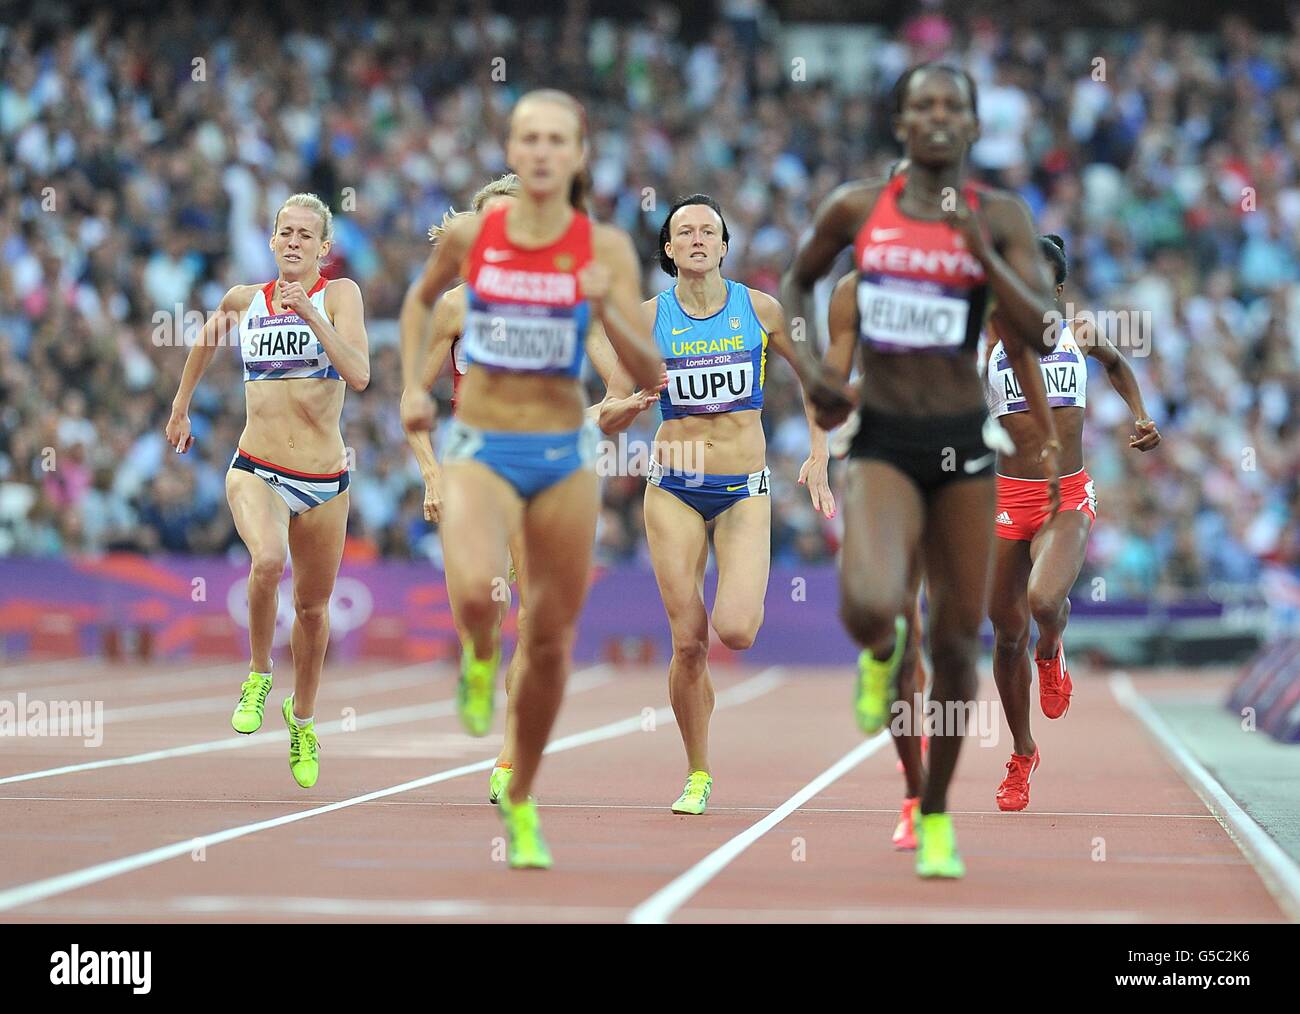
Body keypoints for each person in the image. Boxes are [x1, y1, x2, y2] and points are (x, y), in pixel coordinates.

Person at [783, 63, 1064, 878]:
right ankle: (879, 651)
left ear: (974, 125)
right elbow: (798, 282)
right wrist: (813, 371)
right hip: (884, 440)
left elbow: (1044, 330)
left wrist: (985, 256)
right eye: (922, 106)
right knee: (873, 605)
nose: (938, 118)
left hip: (966, 445)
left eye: (954, 107)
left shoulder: (1000, 216)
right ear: (901, 122)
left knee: (955, 640)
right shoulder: (855, 207)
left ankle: (934, 813)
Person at [399, 89, 663, 869]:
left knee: (548, 637)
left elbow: (638, 380)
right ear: (512, 152)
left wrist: (610, 312)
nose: (542, 154)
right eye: (528, 140)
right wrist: (415, 388)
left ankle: (519, 789)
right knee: (478, 593)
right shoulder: (466, 244)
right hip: (480, 446)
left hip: (561, 454)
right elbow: (420, 309)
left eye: (559, 141)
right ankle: (478, 653)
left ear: (578, 157)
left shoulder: (602, 250)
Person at [625, 193, 833, 814]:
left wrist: (820, 453)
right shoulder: (645, 319)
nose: (695, 239)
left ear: (722, 246)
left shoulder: (760, 309)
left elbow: (816, 383)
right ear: (667, 248)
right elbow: (614, 401)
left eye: (707, 231)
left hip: (743, 489)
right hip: (673, 486)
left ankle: (701, 728)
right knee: (688, 641)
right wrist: (617, 411)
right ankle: (697, 770)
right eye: (682, 231)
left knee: (736, 632)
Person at [166, 193, 370, 789]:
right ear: (272, 240)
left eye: (306, 235)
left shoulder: (341, 296)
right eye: (285, 232)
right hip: (256, 466)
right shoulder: (243, 300)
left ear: (323, 248)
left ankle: (302, 718)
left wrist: (310, 313)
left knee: (311, 609)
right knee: (267, 560)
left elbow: (359, 373)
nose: (294, 242)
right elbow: (204, 342)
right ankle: (258, 674)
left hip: (325, 482)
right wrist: (181, 408)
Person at [986, 234, 1161, 811]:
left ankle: (1053, 647)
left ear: (1058, 289)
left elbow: (1118, 365)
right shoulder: (991, 333)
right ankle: (1021, 752)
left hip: (1066, 495)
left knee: (1041, 603)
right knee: (1005, 632)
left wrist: (1140, 416)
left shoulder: (1079, 334)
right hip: (1008, 496)